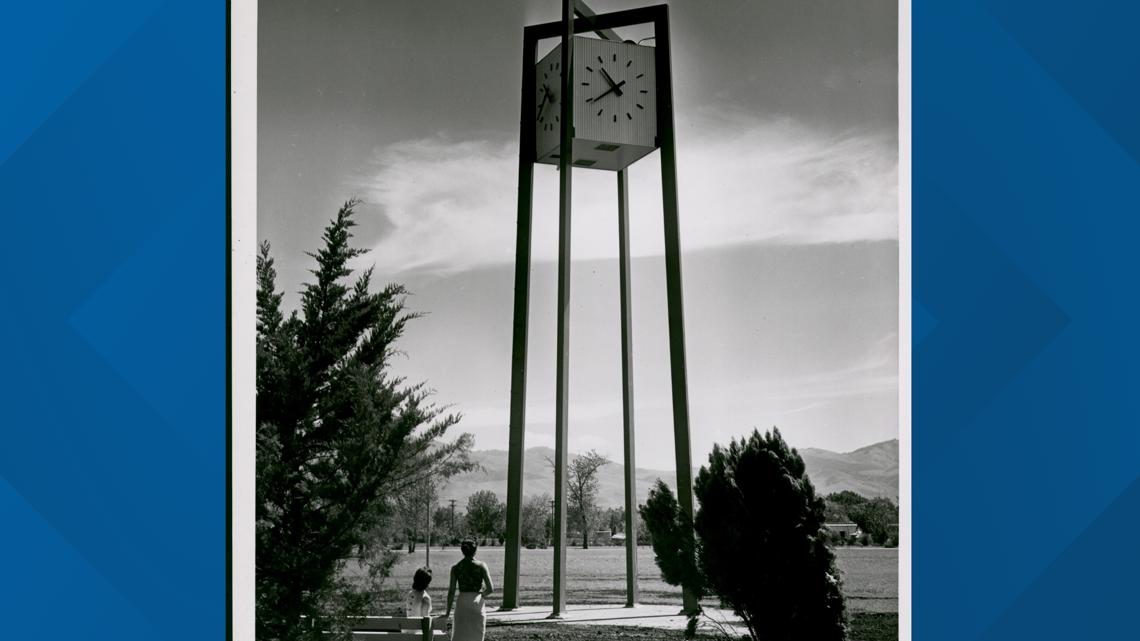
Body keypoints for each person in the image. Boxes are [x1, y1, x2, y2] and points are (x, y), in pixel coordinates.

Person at [445, 538, 493, 641]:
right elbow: (490, 589)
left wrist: (447, 612)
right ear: (475, 551)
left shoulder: (456, 568)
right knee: (476, 635)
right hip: (477, 601)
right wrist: (482, 594)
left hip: (462, 602)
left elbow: (451, 592)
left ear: (462, 551)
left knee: (460, 635)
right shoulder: (481, 566)